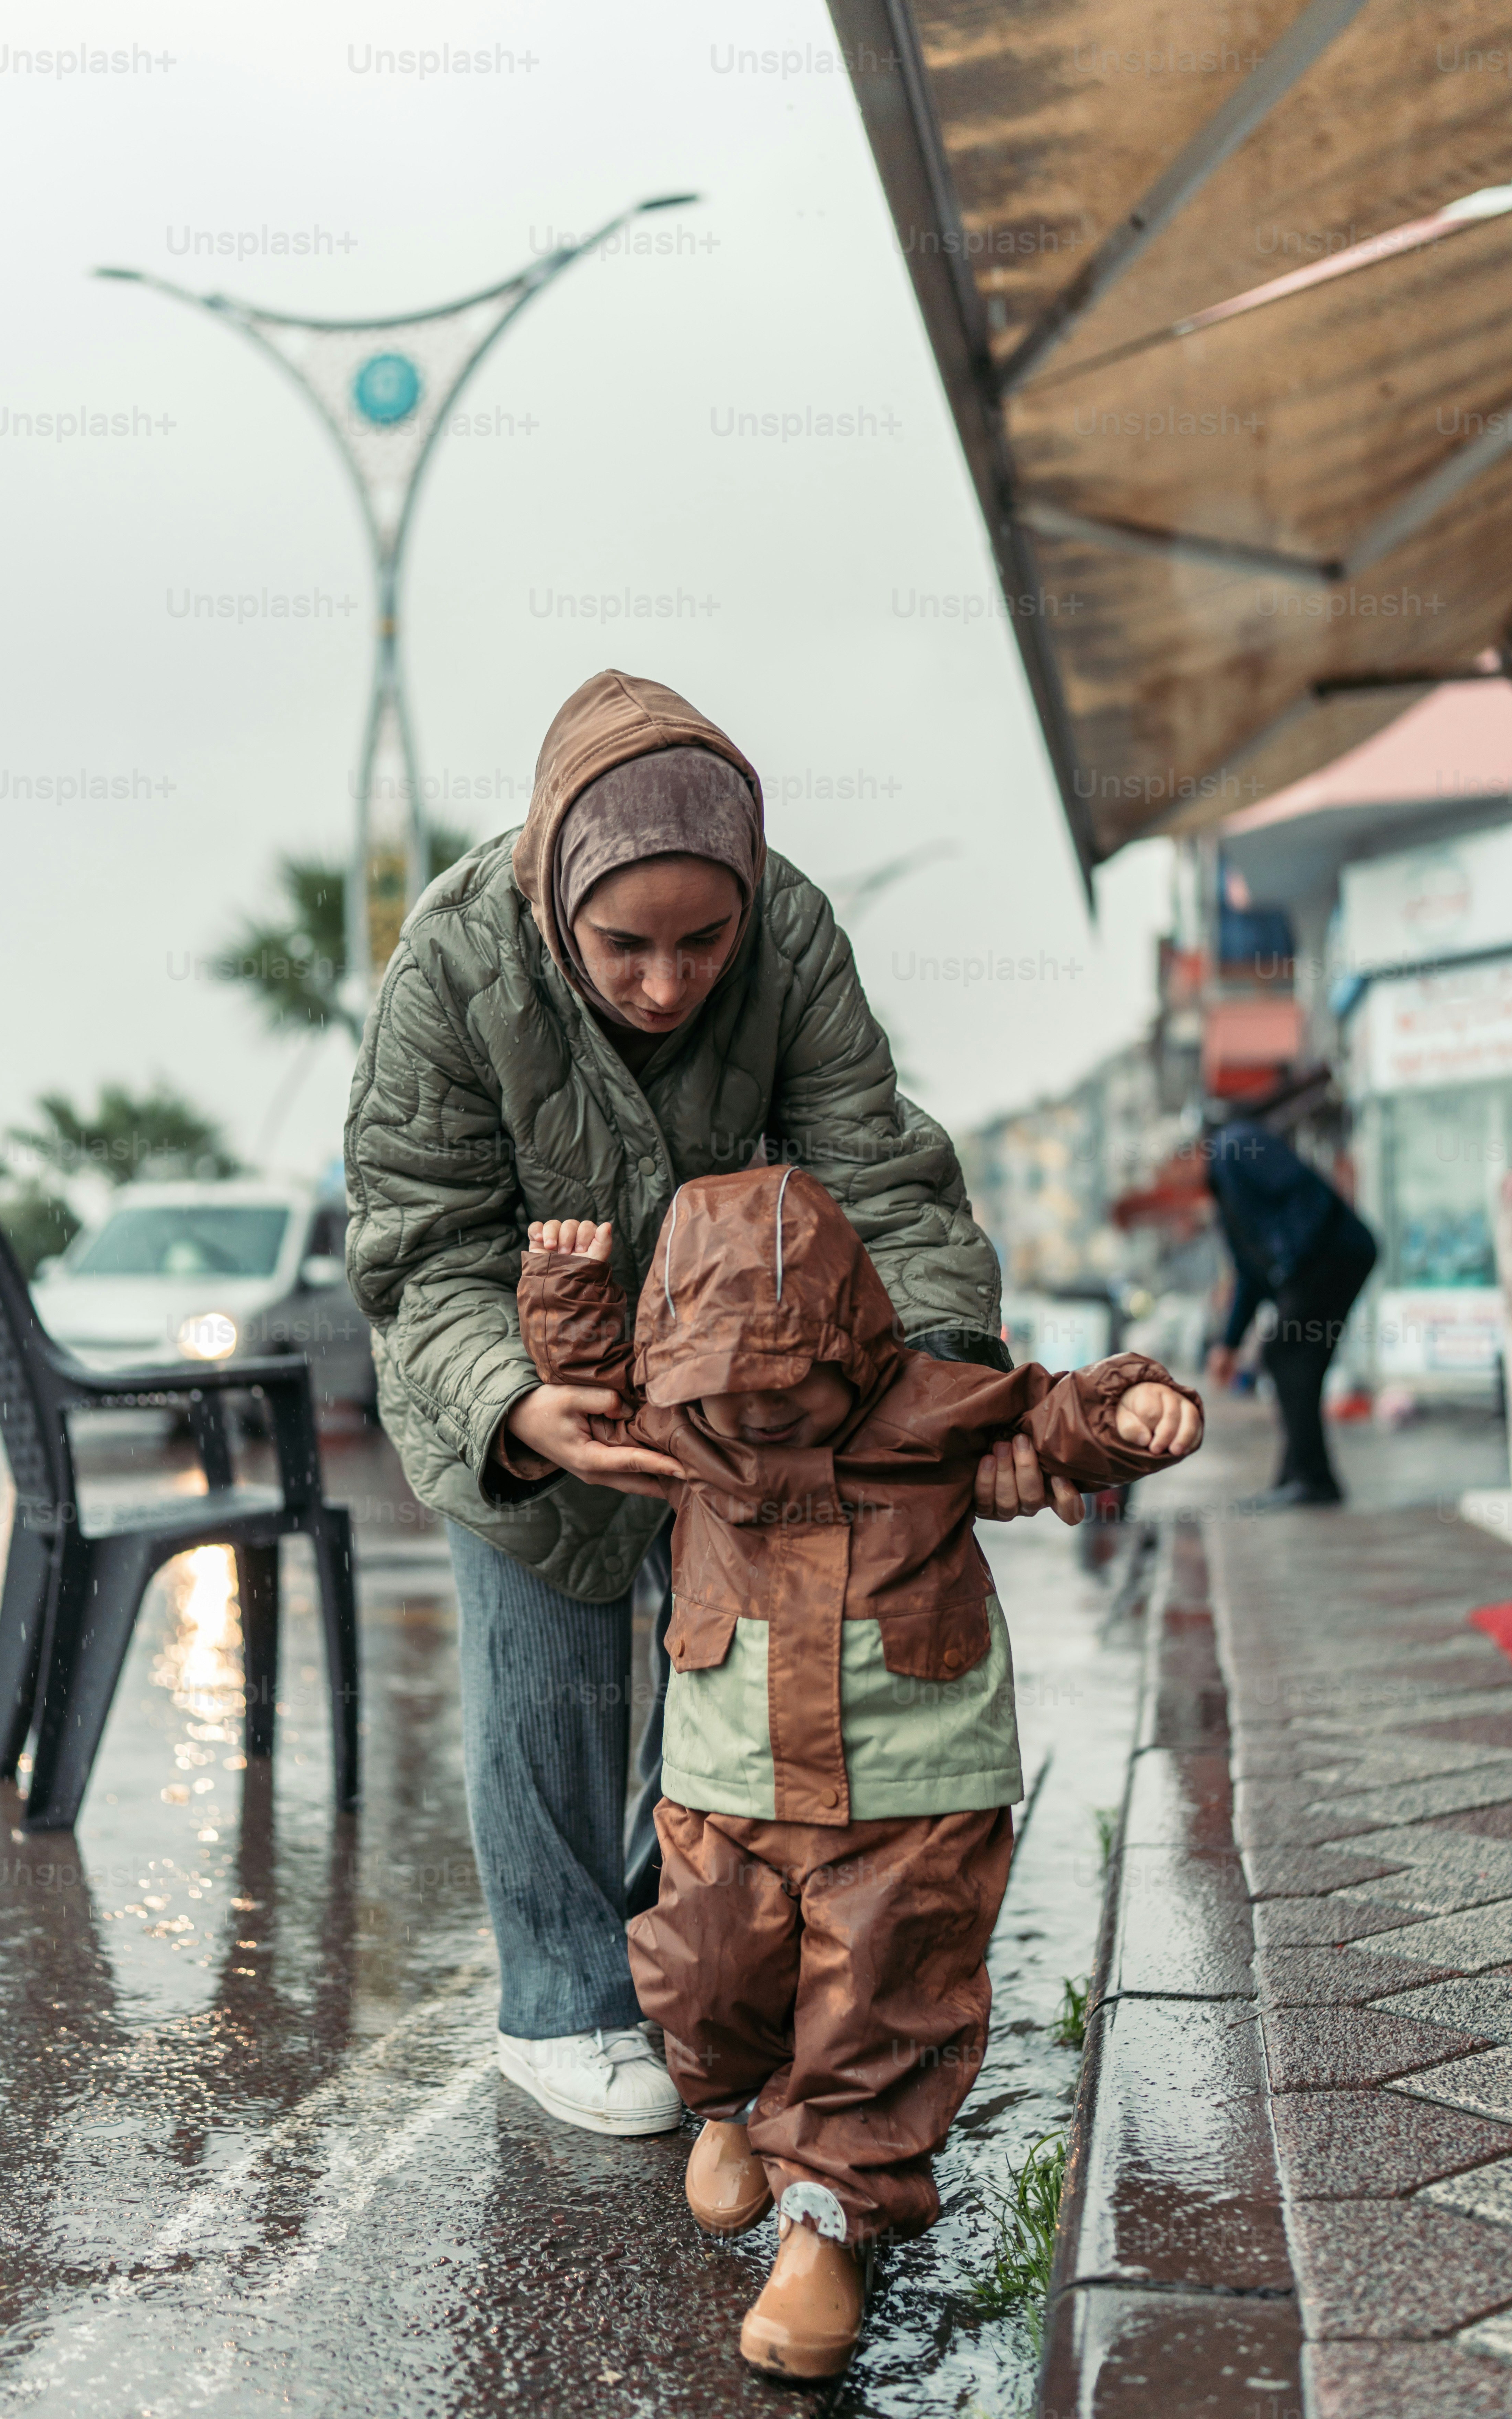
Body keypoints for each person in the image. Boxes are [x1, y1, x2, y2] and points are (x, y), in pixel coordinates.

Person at [345, 668, 1084, 2140]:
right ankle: (554, 2005)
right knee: (544, 1669)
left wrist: (949, 1397)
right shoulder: (447, 965)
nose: (669, 984)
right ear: (556, 894)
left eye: (703, 941)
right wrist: (514, 1403)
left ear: (749, 893)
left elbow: (878, 1175)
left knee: (714, 1673)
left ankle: (641, 1947)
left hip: (730, 1381)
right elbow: (420, 1238)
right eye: (625, 946)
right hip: (511, 1371)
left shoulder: (795, 933)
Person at [516, 1167, 1202, 2378]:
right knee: (705, 1966)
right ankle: (729, 2104)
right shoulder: (676, 1418)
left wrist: (1129, 1408)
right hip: (731, 1770)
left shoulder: (930, 1403)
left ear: (861, 1344)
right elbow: (604, 1393)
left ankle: (827, 2219)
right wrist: (570, 1293)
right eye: (730, 1390)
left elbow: (1046, 1413)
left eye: (797, 1384)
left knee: (883, 1991)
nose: (765, 1414)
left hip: (913, 1775)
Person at [1204, 1116, 1378, 1507]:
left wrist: (1291, 1262)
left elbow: (1298, 1188)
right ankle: (1299, 1477)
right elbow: (1247, 1278)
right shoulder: (1225, 1203)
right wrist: (1227, 1345)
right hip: (1323, 1261)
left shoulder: (1235, 1144)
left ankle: (1311, 1482)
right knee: (1295, 1361)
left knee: (1284, 1353)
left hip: (1335, 1254)